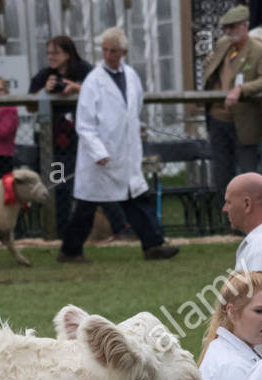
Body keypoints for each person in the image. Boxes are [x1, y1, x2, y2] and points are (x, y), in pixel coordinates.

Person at [57, 29, 177, 263]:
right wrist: (98, 151)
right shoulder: (93, 81)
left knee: (137, 198)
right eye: (105, 50)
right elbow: (85, 124)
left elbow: (135, 106)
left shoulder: (131, 76)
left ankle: (153, 245)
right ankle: (70, 251)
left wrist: (135, 130)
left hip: (126, 152)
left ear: (123, 52)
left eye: (114, 50)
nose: (109, 54)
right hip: (100, 156)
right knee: (86, 205)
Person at [201, 5, 262, 199]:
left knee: (249, 177)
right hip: (218, 119)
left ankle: (255, 224)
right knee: (222, 175)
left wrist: (241, 89)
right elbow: (211, 66)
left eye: (232, 27)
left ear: (245, 26)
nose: (228, 32)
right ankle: (229, 225)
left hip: (245, 121)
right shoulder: (223, 45)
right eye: (226, 28)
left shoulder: (260, 50)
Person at [28, 35, 92, 235]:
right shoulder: (44, 76)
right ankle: (61, 231)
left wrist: (75, 88)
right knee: (60, 185)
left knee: (89, 185)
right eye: (48, 53)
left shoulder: (85, 71)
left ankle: (110, 228)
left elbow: (100, 92)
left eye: (55, 53)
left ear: (68, 53)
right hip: (56, 144)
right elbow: (29, 105)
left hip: (84, 141)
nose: (51, 57)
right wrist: (46, 92)